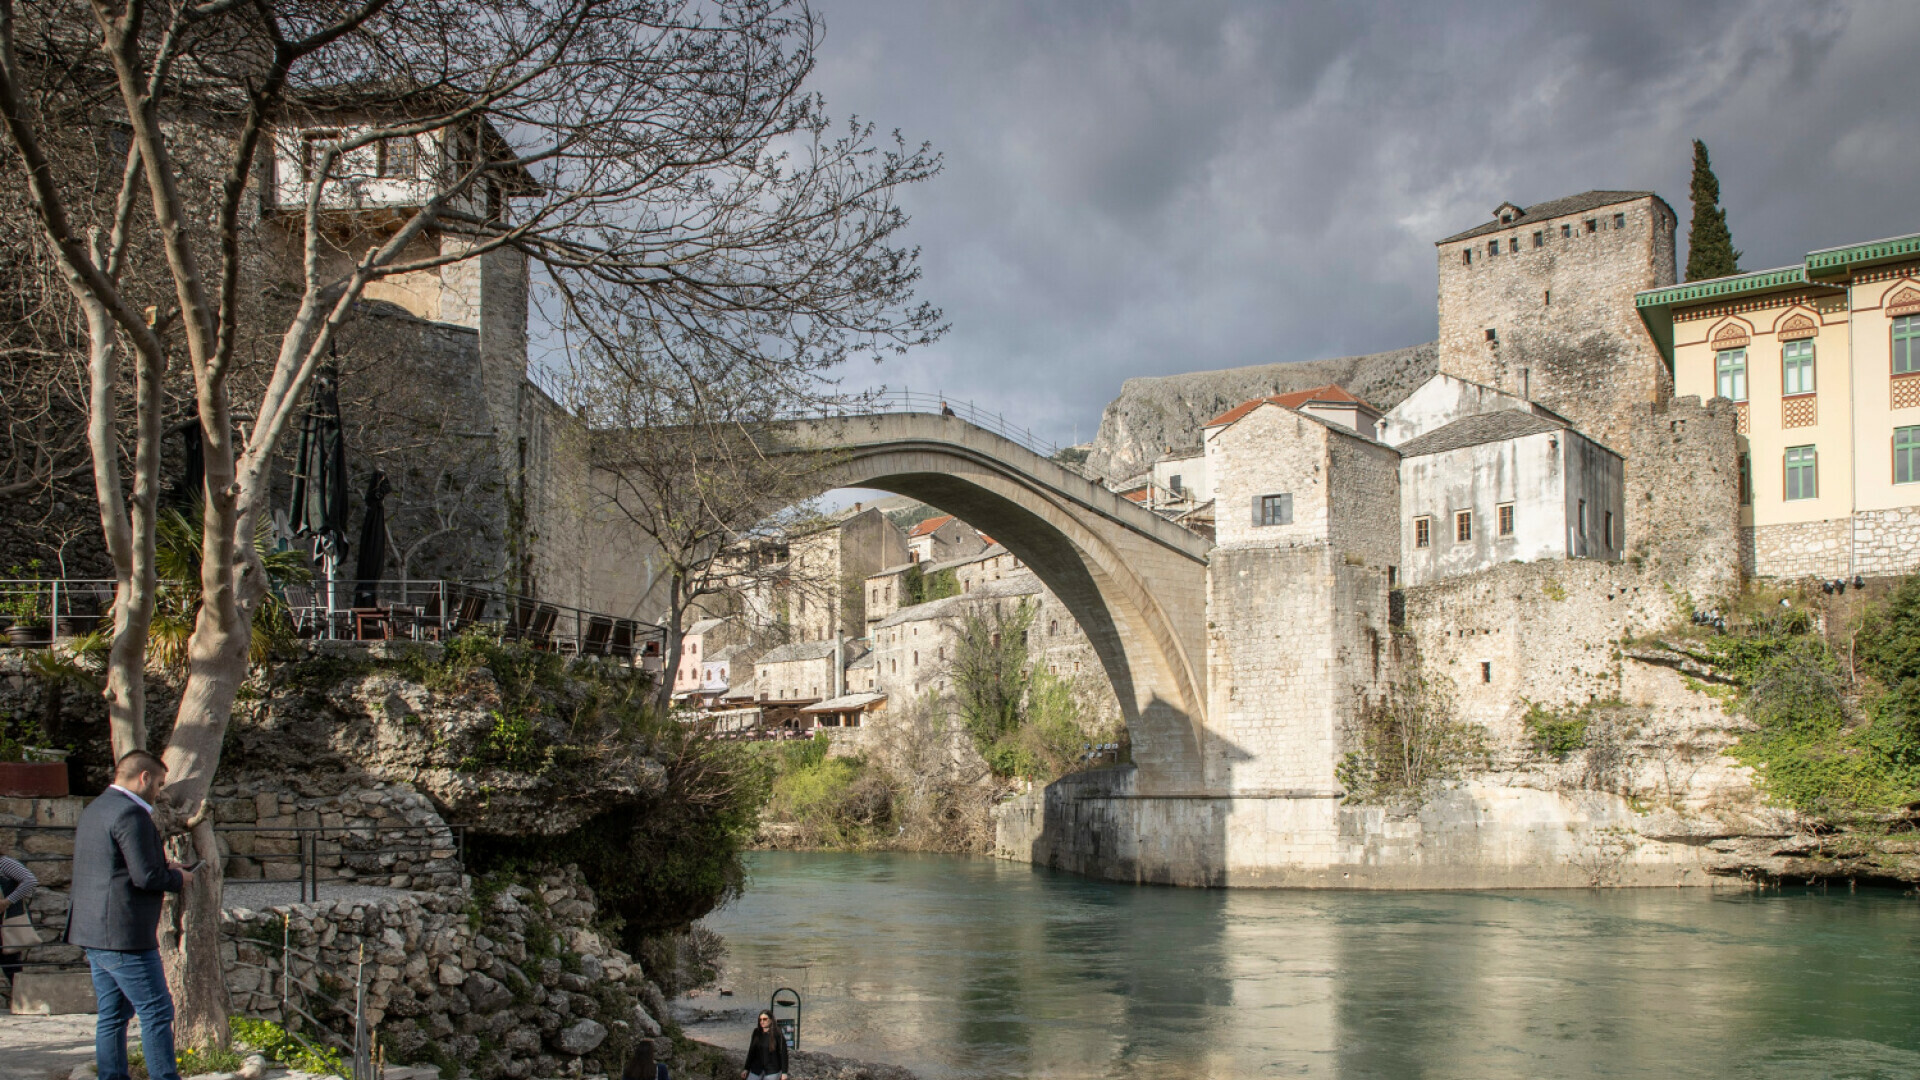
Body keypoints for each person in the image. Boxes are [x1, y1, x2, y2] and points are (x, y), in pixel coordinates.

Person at [68, 750, 192, 1080]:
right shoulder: (131, 815)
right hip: (124, 935)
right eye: (159, 784)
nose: (160, 792)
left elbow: (114, 865)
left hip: (92, 931)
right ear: (144, 778)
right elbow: (145, 878)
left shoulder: (95, 809)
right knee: (157, 1011)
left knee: (112, 1014)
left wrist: (162, 866)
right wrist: (179, 877)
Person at [1, 849, 38, 990]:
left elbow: (30, 880)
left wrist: (7, 901)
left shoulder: (4, 863)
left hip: (5, 922)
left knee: (10, 961)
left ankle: (21, 997)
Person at [741, 1010, 788, 1080]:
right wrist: (746, 1068)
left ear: (771, 1020)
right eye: (760, 1019)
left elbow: (783, 1053)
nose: (762, 1021)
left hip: (772, 1070)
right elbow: (751, 1051)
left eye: (765, 1019)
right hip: (757, 1068)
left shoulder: (778, 1033)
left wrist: (784, 1072)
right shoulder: (756, 1032)